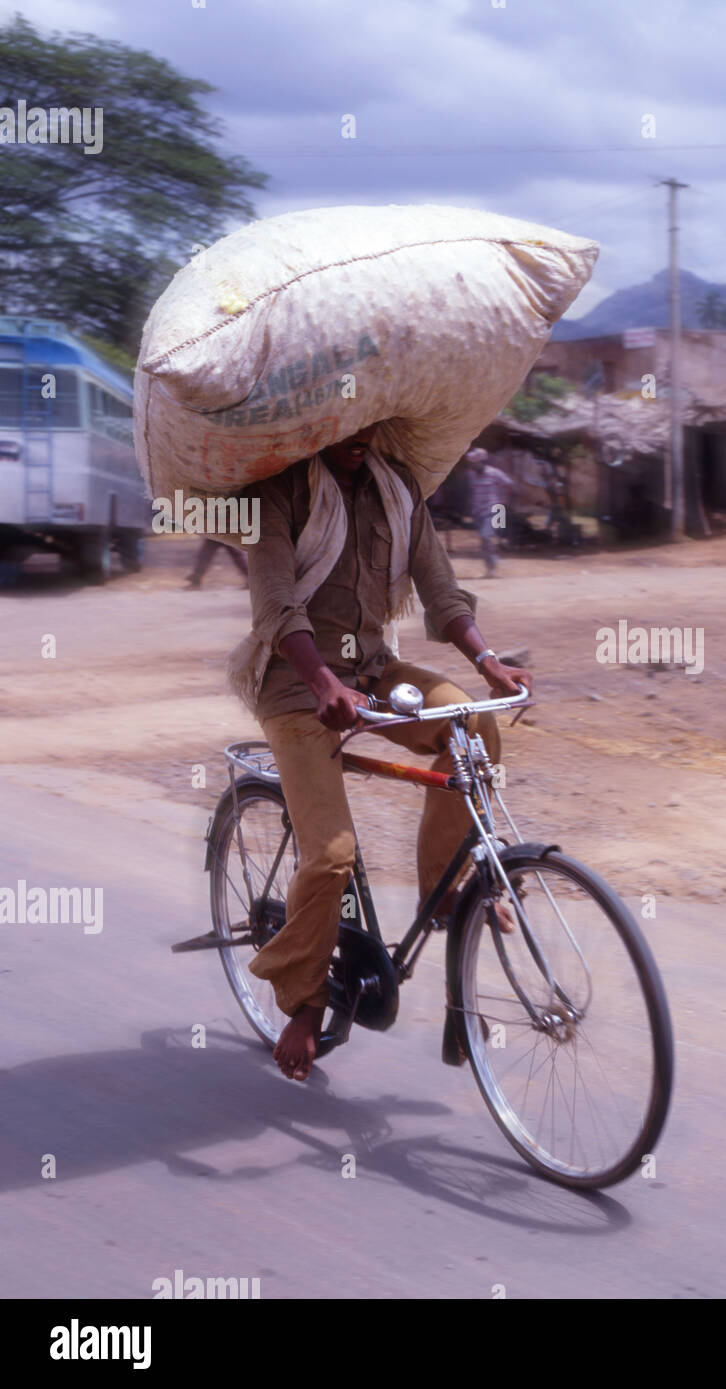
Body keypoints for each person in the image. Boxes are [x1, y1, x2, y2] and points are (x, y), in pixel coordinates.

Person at [230, 424, 530, 1081]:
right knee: (332, 854)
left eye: (366, 422)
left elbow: (442, 591)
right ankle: (304, 1001)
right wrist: (320, 681)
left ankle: (444, 893)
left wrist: (487, 661)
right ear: (313, 421)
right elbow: (276, 605)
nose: (356, 436)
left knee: (471, 725)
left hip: (371, 671)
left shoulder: (398, 492)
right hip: (295, 686)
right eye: (342, 425)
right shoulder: (279, 493)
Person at [465, 446, 514, 576]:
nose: (473, 465)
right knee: (485, 539)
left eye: (475, 463)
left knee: (485, 536)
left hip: (493, 510)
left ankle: (492, 567)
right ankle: (490, 567)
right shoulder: (471, 475)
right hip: (478, 511)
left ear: (482, 462)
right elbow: (472, 491)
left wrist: (503, 500)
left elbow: (509, 484)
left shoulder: (494, 473)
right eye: (471, 463)